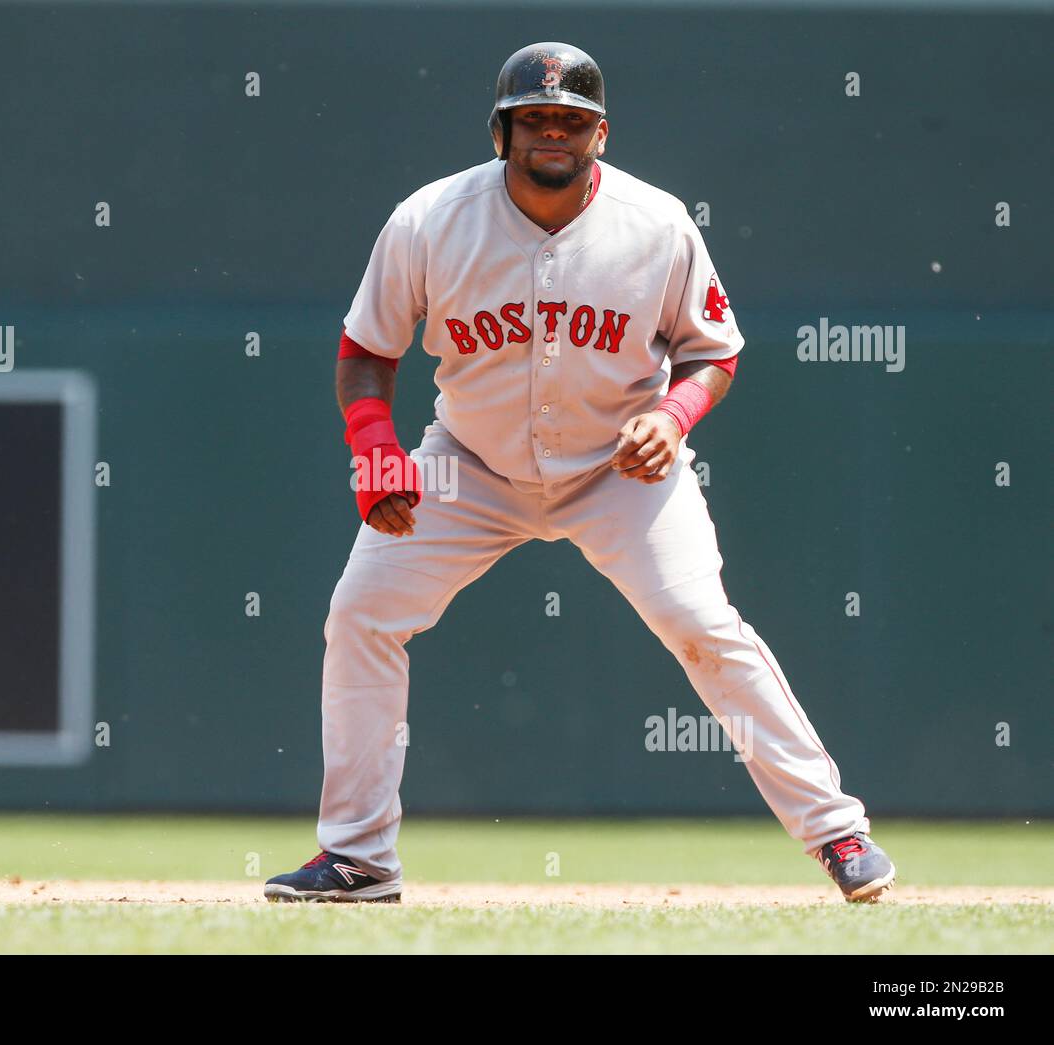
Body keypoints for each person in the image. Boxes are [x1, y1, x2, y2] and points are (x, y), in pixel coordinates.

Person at [265, 42, 895, 904]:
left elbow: (716, 352)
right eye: (535, 119)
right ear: (502, 132)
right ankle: (358, 858)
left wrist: (673, 418)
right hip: (471, 463)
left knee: (701, 623)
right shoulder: (428, 220)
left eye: (572, 120)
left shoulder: (659, 223)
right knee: (362, 615)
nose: (552, 133)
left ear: (601, 135)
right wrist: (376, 446)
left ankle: (838, 832)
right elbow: (367, 351)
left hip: (619, 467)